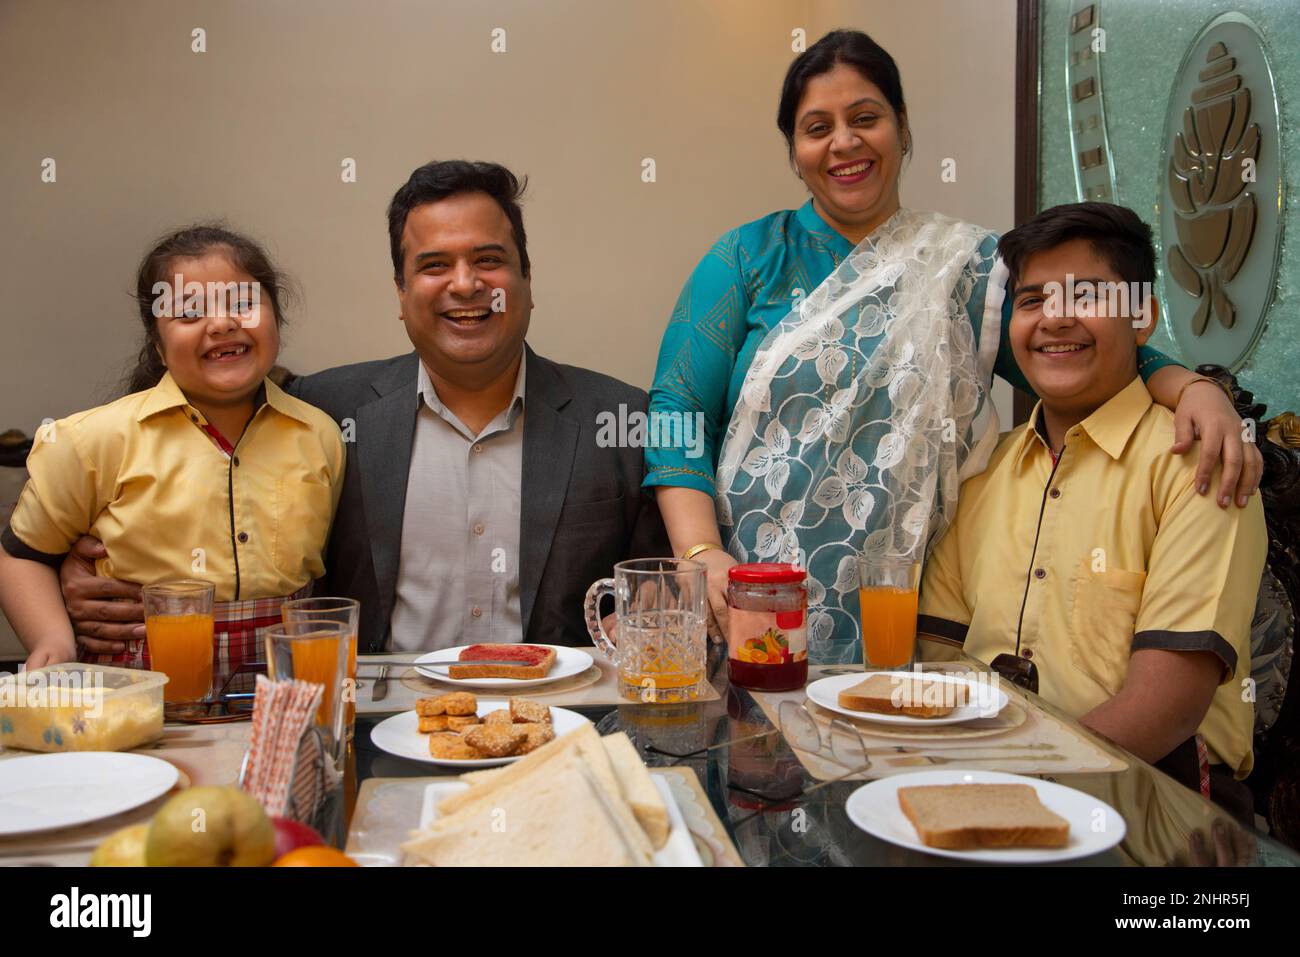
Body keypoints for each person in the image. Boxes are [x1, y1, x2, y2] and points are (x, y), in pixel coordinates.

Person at [644, 29, 1262, 664]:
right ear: (795, 152)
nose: (844, 142)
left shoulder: (968, 268)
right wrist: (701, 556)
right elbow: (675, 409)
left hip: (909, 606)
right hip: (744, 598)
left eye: (865, 118)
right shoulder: (746, 258)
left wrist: (1194, 389)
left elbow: (1084, 349)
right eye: (816, 127)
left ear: (903, 129)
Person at [62, 161, 668, 656]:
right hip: (372, 729)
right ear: (401, 295)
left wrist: (662, 600)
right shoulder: (317, 414)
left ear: (526, 281)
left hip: (558, 730)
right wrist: (75, 565)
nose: (464, 284)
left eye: (488, 260)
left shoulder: (619, 420)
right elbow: (160, 473)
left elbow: (672, 569)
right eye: (432, 266)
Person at [916, 202, 1265, 816]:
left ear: (1142, 318)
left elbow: (1166, 707)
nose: (1055, 319)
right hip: (985, 787)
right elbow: (937, 655)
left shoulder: (1200, 465)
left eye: (1087, 297)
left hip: (1158, 811)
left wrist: (1011, 789)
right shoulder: (982, 472)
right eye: (1032, 301)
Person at [0, 226, 344, 685]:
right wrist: (53, 639)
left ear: (276, 318)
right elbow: (22, 555)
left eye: (242, 303)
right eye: (188, 312)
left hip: (282, 691)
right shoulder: (90, 440)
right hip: (135, 697)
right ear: (158, 345)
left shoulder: (320, 434)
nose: (221, 324)